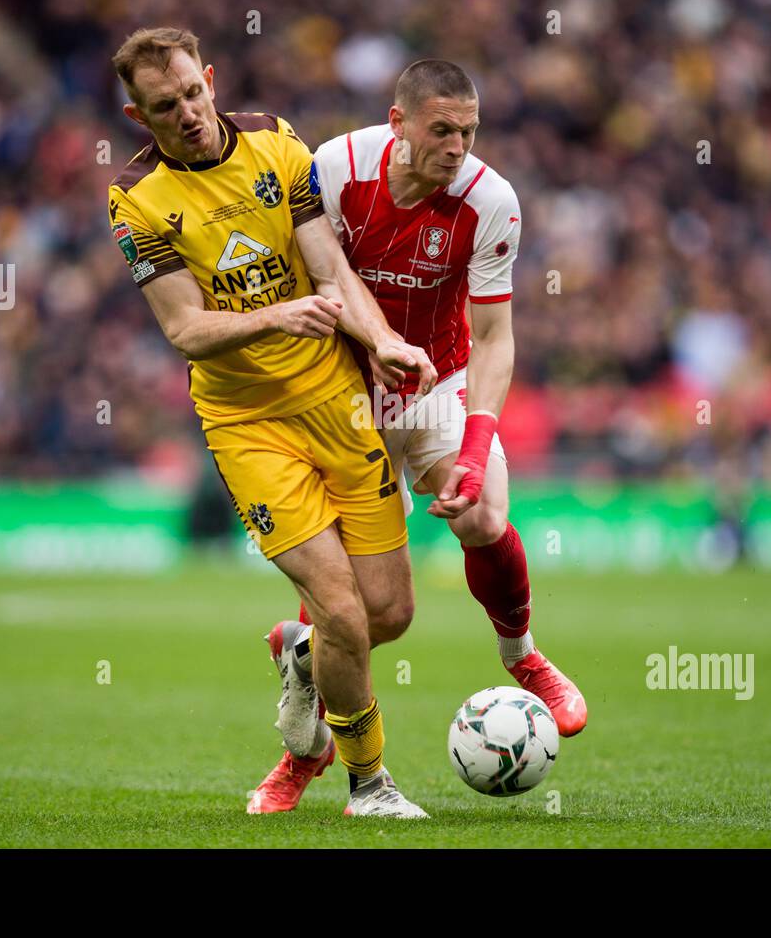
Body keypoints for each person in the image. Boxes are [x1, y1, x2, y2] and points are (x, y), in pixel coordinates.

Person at [106, 27, 438, 818]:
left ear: (211, 79)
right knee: (343, 611)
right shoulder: (135, 199)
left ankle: (302, 663)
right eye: (164, 106)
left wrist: (383, 340)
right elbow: (186, 331)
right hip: (247, 424)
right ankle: (368, 783)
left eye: (192, 93)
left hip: (338, 401)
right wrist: (275, 317)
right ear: (136, 114)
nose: (186, 113)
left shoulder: (276, 144)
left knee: (388, 613)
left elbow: (331, 268)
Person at [248, 60, 587, 814]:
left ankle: (522, 657)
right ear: (397, 123)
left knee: (485, 514)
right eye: (441, 130)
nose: (457, 146)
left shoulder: (491, 200)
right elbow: (309, 277)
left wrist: (473, 447)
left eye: (468, 131)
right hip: (341, 397)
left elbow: (497, 339)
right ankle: (303, 749)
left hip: (440, 385)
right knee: (361, 607)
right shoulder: (333, 169)